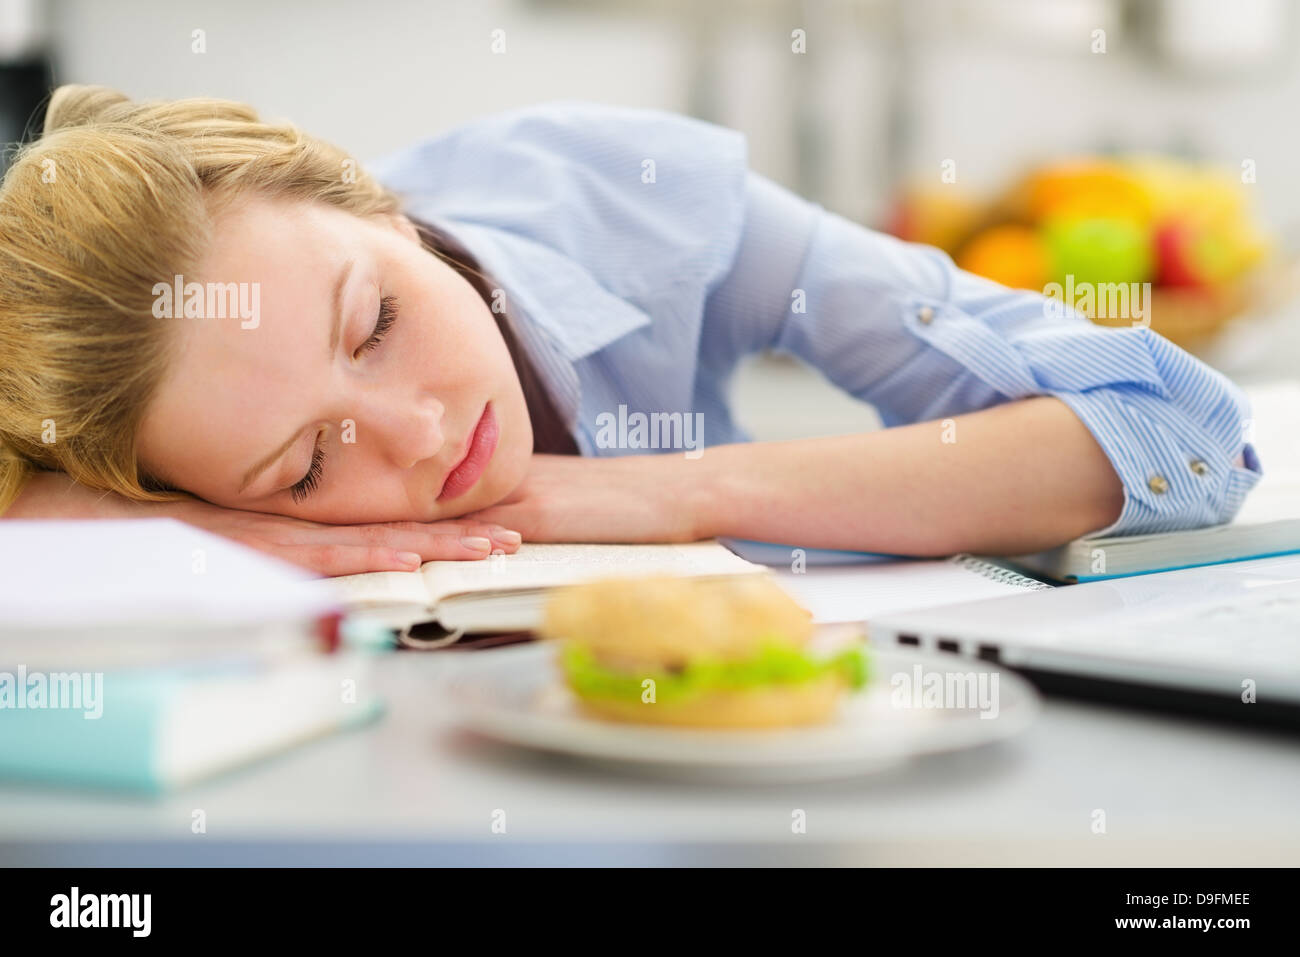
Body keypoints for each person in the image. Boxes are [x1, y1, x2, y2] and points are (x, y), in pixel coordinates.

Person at [0, 85, 1263, 576]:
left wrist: (667, 494)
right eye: (306, 467)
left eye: (377, 324)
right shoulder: (130, 439)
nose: (422, 431)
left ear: (377, 203)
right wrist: (189, 534)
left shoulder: (630, 202)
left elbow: (1182, 434)